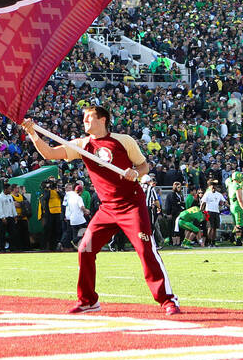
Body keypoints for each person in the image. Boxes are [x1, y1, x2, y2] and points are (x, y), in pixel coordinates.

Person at [21, 106, 180, 315]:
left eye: (89, 117)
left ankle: (167, 300)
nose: (84, 120)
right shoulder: (82, 144)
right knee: (84, 249)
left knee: (145, 249)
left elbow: (144, 166)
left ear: (103, 119)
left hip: (132, 205)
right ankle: (88, 300)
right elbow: (50, 153)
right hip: (107, 208)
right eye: (84, 117)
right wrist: (32, 133)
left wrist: (135, 172)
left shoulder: (123, 140)